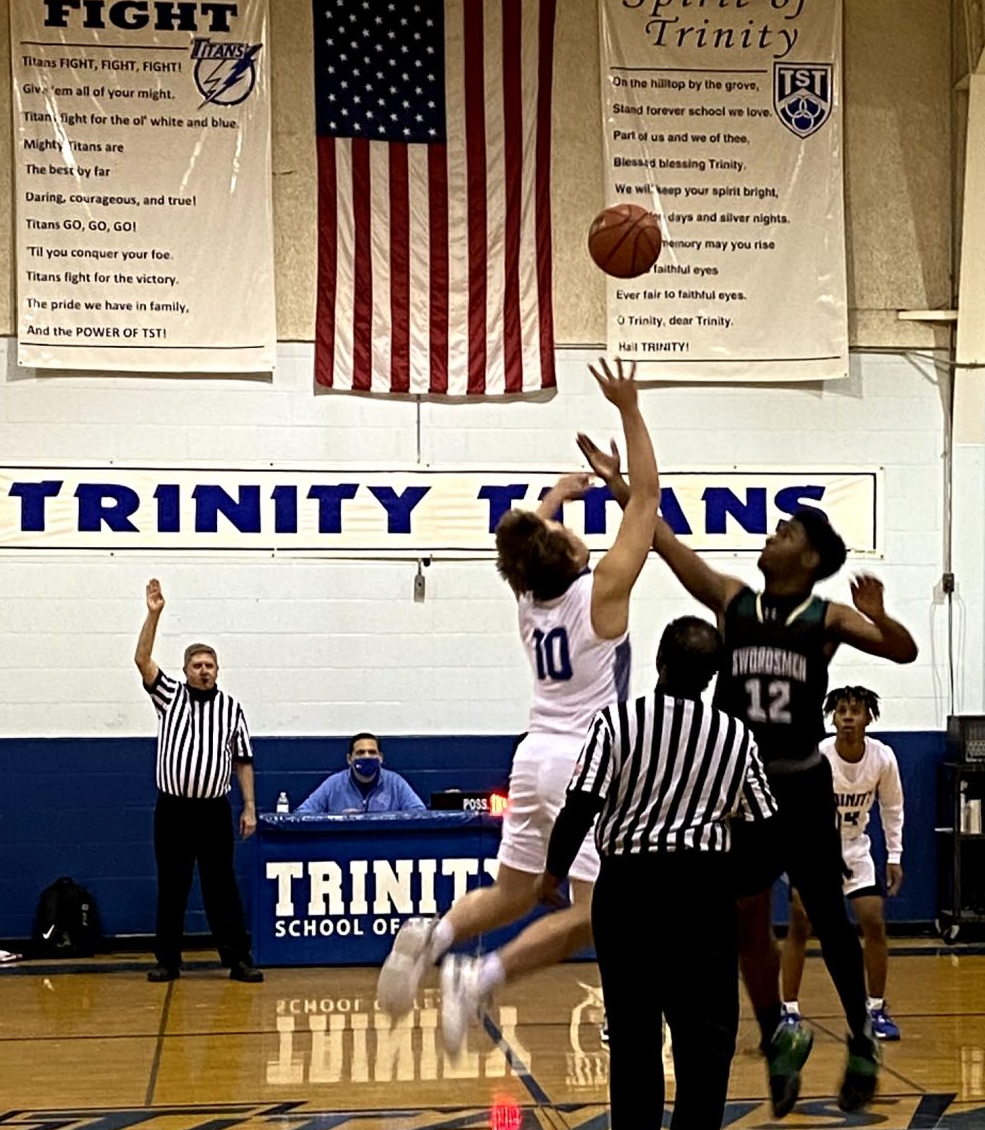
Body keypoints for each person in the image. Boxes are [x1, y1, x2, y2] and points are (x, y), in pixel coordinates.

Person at [579, 436, 917, 1117]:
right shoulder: (732, 601)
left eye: (785, 531)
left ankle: (858, 1039)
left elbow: (903, 652)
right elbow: (668, 547)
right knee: (746, 920)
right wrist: (623, 491)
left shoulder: (827, 618)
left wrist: (878, 614)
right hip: (736, 790)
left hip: (798, 780)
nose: (772, 535)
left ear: (811, 558)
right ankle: (778, 1035)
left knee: (827, 914)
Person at [376, 359, 659, 1046]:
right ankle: (482, 976)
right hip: (585, 765)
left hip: (532, 755)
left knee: (517, 890)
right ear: (570, 555)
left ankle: (434, 934)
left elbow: (524, 538)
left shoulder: (528, 597)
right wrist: (629, 407)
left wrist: (556, 496)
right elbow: (646, 500)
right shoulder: (600, 594)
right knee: (594, 914)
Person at [540, 617, 776, 1130]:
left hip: (630, 895)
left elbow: (582, 802)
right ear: (711, 676)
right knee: (708, 1046)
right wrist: (733, 882)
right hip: (702, 895)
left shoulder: (617, 725)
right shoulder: (735, 735)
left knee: (637, 1046)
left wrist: (553, 873)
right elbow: (764, 824)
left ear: (660, 663)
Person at [133, 578, 262, 984]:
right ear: (186, 671)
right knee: (172, 886)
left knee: (221, 887)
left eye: (210, 665)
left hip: (212, 810)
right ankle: (168, 961)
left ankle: (238, 959)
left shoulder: (231, 707)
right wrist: (153, 614)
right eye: (197, 666)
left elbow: (242, 760)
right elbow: (141, 660)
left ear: (217, 670)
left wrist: (250, 807)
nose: (204, 671)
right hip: (173, 809)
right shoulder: (169, 695)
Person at [782, 685, 904, 1043]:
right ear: (832, 718)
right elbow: (791, 808)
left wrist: (894, 856)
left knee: (873, 919)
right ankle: (788, 1010)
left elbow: (892, 808)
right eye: (841, 711)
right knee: (800, 924)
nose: (848, 717)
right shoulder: (817, 755)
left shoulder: (882, 758)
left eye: (855, 710)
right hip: (814, 849)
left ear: (869, 717)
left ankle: (877, 1007)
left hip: (854, 848)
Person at [294, 733, 426, 816]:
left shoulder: (396, 783)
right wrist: (337, 820)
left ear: (381, 758)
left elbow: (420, 813)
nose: (367, 756)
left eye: (372, 752)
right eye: (360, 752)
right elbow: (302, 814)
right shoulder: (333, 784)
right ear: (349, 759)